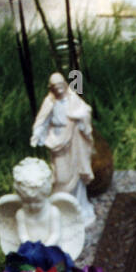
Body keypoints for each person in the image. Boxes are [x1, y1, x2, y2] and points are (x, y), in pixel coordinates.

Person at [31, 72, 95, 225]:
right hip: (57, 140)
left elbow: (86, 110)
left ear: (65, 85)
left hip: (74, 139)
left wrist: (79, 117)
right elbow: (42, 120)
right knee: (61, 177)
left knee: (78, 175)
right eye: (55, 88)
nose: (59, 90)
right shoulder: (50, 102)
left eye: (61, 86)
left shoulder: (73, 98)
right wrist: (37, 134)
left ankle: (80, 207)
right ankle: (63, 209)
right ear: (51, 89)